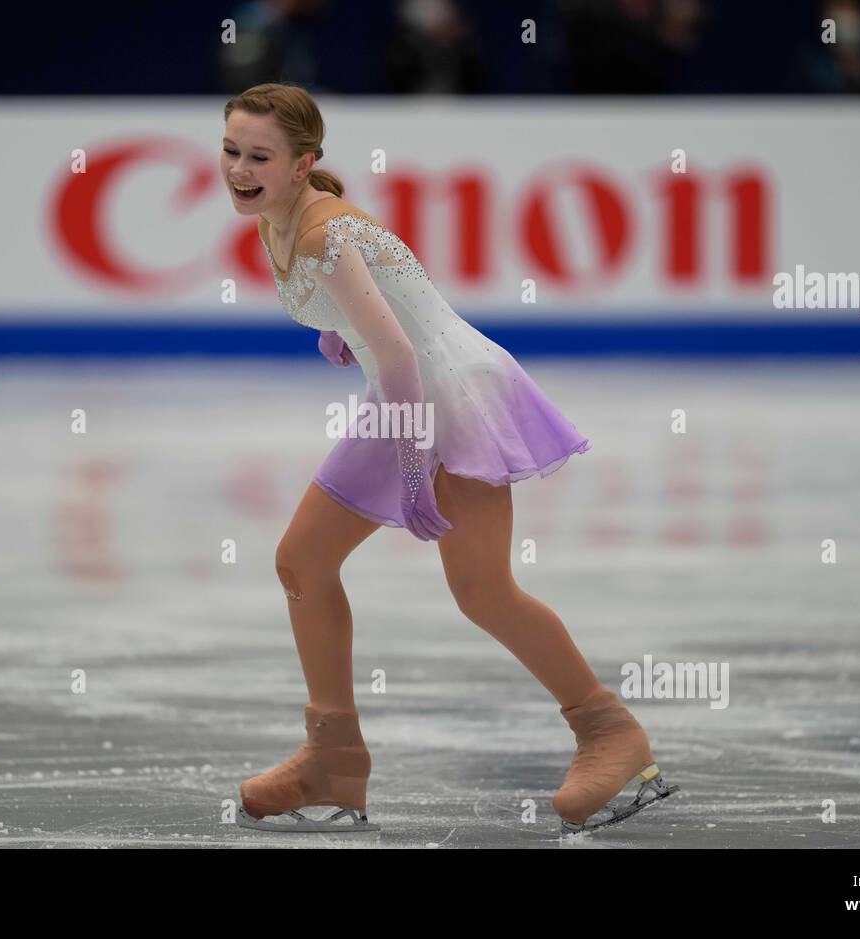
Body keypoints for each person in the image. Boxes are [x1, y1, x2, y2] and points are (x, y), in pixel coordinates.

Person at [220, 82, 678, 834]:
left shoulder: (317, 231)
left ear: (303, 165)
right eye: (232, 150)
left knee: (483, 590)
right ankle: (333, 758)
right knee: (302, 560)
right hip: (405, 389)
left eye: (259, 155)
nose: (239, 167)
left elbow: (402, 352)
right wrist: (341, 329)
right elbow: (389, 305)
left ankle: (610, 731)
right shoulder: (281, 219)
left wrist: (411, 469)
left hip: (449, 394)